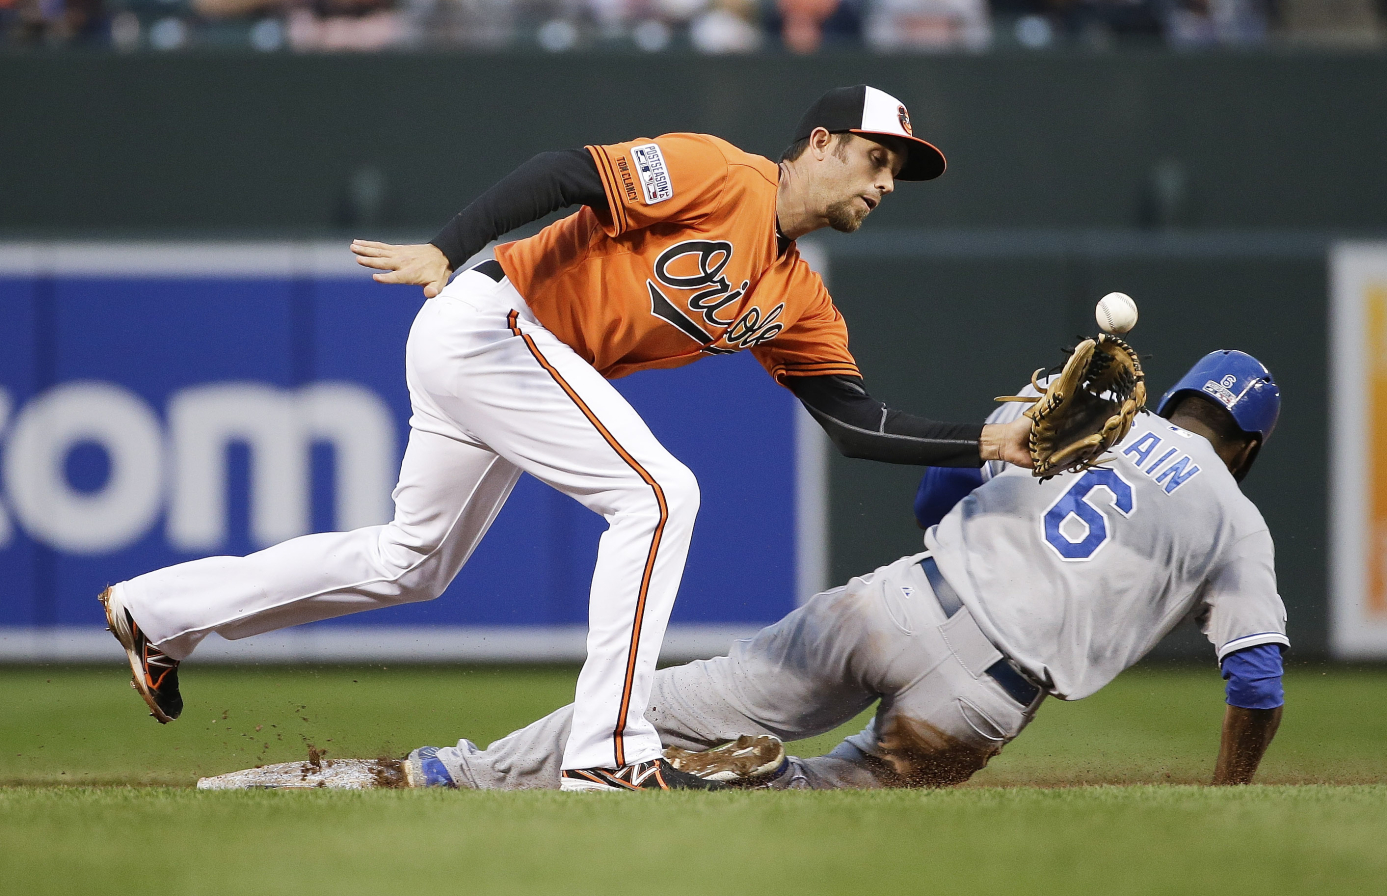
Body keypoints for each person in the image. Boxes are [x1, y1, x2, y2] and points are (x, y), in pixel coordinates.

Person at [101, 84, 1033, 792]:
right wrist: (446, 245)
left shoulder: (800, 297)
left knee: (411, 562)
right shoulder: (721, 173)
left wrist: (996, 442)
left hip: (515, 358)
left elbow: (856, 423)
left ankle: (155, 612)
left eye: (895, 171)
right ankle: (607, 752)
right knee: (659, 496)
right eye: (874, 157)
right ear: (819, 143)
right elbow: (564, 172)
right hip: (494, 321)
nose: (884, 181)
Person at [213, 349, 1277, 792]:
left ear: (1176, 394)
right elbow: (1256, 680)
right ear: (1249, 447)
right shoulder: (1234, 519)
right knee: (834, 797)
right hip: (981, 698)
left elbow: (934, 495)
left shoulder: (1091, 430)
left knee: (649, 703)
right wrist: (1227, 794)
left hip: (900, 602)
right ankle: (760, 776)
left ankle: (452, 774)